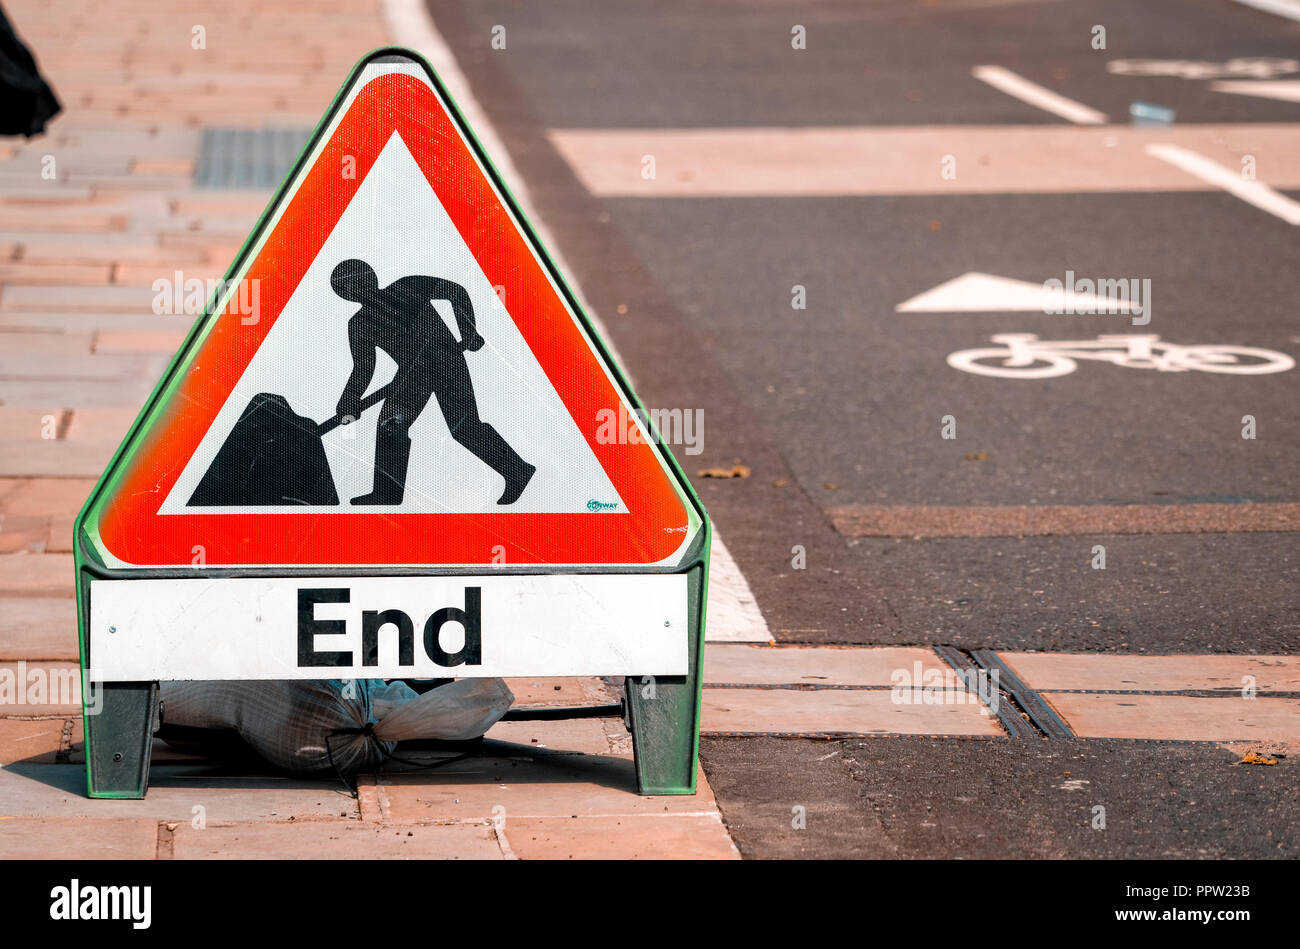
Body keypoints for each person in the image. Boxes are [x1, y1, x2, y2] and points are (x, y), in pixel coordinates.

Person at [330, 259, 535, 506]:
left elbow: (454, 291)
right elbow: (363, 368)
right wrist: (348, 401)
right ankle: (387, 494)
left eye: (359, 281)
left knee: (465, 428)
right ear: (346, 295)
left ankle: (517, 470)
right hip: (412, 375)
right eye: (350, 287)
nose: (359, 289)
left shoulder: (406, 286)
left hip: (446, 361)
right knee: (389, 425)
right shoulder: (360, 323)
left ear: (371, 276)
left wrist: (468, 332)